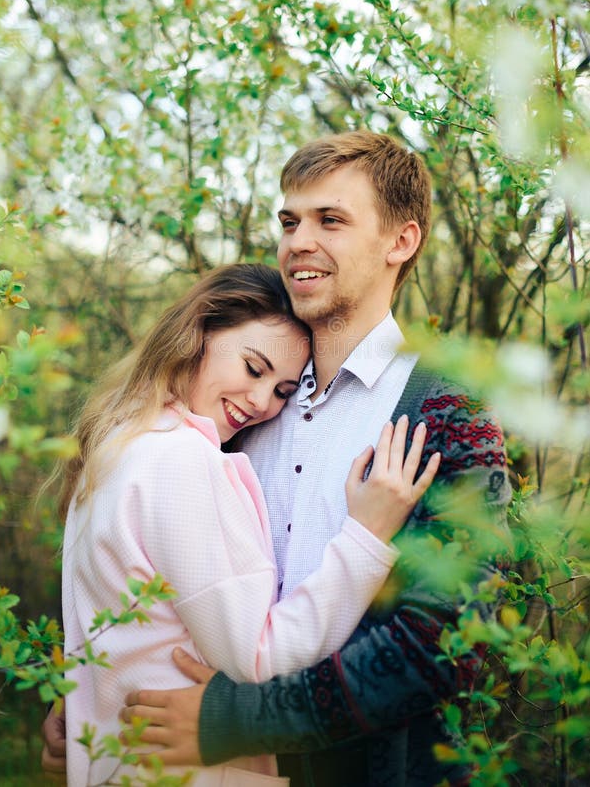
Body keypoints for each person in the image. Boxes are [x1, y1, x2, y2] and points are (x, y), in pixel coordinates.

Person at [45, 131, 510, 785]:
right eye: (290, 222)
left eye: (331, 220)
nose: (298, 241)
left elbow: (448, 645)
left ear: (400, 242)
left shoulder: (449, 410)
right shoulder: (239, 405)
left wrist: (235, 720)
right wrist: (92, 693)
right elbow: (153, 569)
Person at [57, 262, 440, 787]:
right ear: (199, 333)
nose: (261, 403)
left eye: (283, 391)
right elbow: (258, 661)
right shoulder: (179, 462)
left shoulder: (115, 446)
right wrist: (366, 537)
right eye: (253, 368)